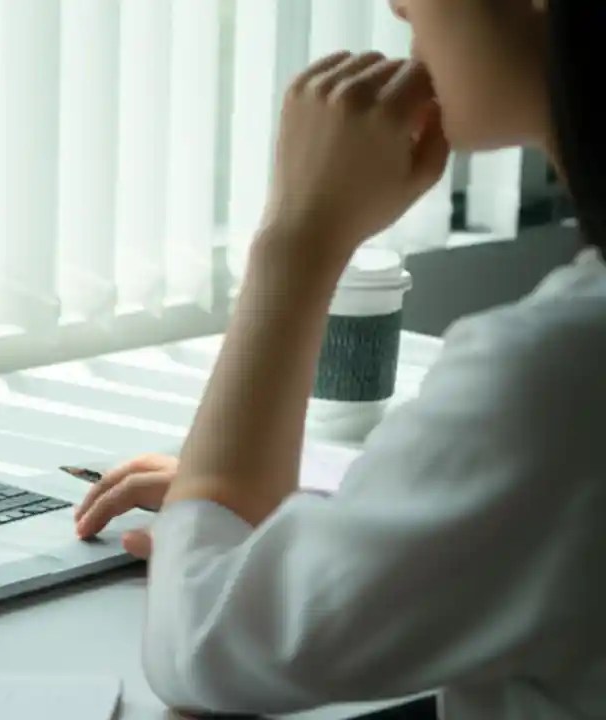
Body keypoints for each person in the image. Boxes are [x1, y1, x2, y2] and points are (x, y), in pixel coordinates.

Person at [72, 1, 605, 718]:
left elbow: (203, 649)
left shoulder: (555, 373)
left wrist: (298, 238)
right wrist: (335, 520)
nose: (396, 5)